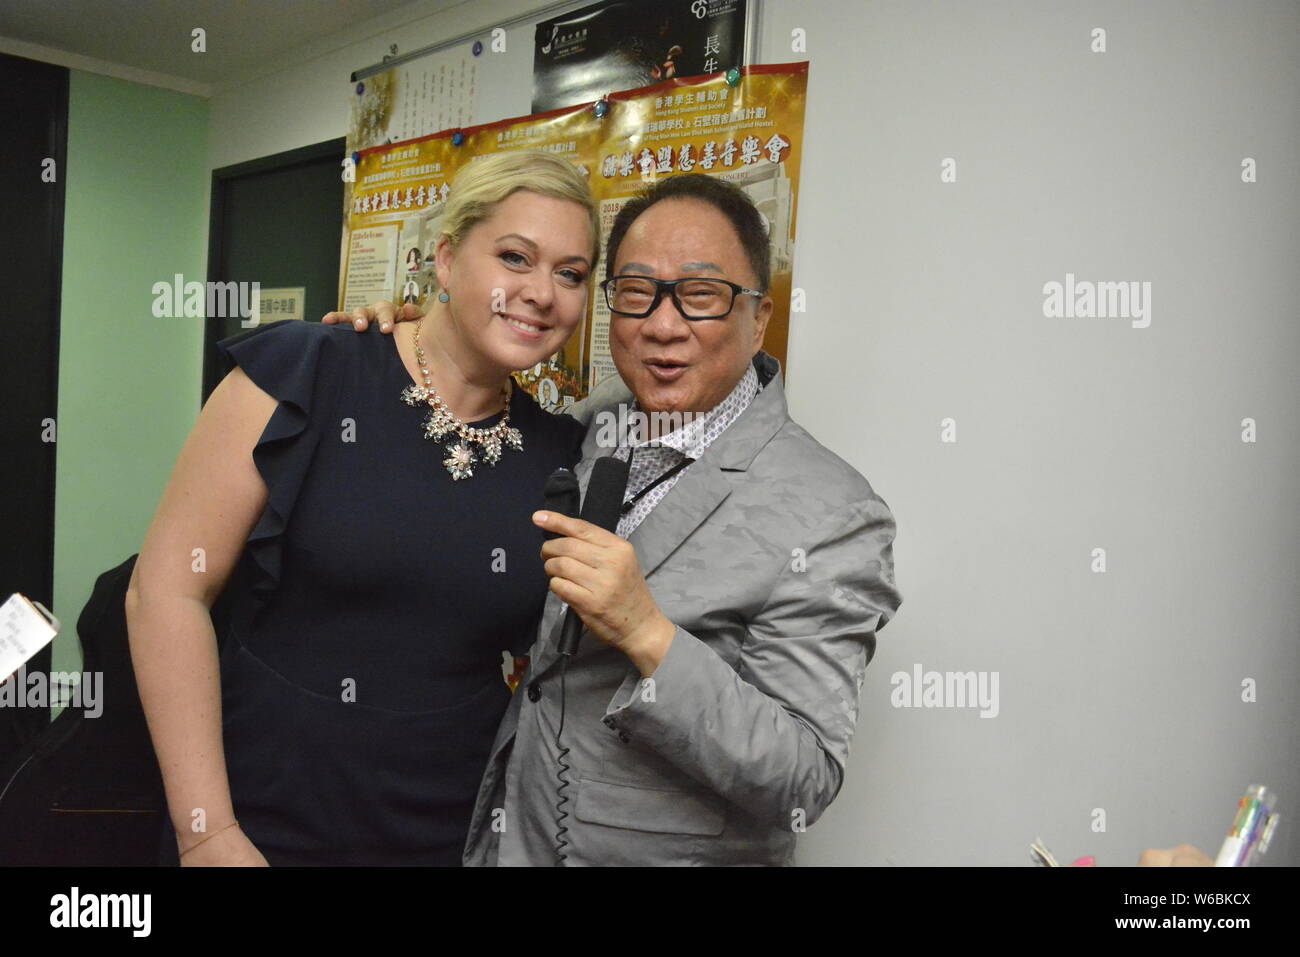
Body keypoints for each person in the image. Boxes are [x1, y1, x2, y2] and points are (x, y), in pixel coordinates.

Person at [333, 173, 905, 865]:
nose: (663, 326)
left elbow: (803, 778)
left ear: (759, 316)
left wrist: (647, 631)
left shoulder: (832, 512)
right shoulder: (590, 420)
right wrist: (407, 341)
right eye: (637, 293)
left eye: (701, 295)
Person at [124, 150, 600, 866]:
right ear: (444, 259)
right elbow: (164, 590)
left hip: (447, 831)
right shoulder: (308, 368)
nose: (541, 292)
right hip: (258, 818)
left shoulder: (562, 452)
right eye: (514, 257)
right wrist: (206, 829)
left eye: (570, 273)